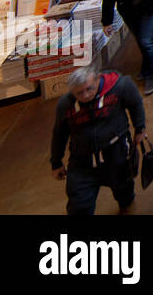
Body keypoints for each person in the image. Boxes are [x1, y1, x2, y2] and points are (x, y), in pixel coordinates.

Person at [49, 66, 147, 215]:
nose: (85, 95)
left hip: (116, 153)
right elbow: (59, 133)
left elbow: (136, 104)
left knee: (124, 192)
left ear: (98, 79)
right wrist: (56, 162)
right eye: (79, 93)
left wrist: (140, 129)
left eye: (89, 89)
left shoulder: (120, 86)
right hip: (82, 161)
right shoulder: (65, 105)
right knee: (78, 205)